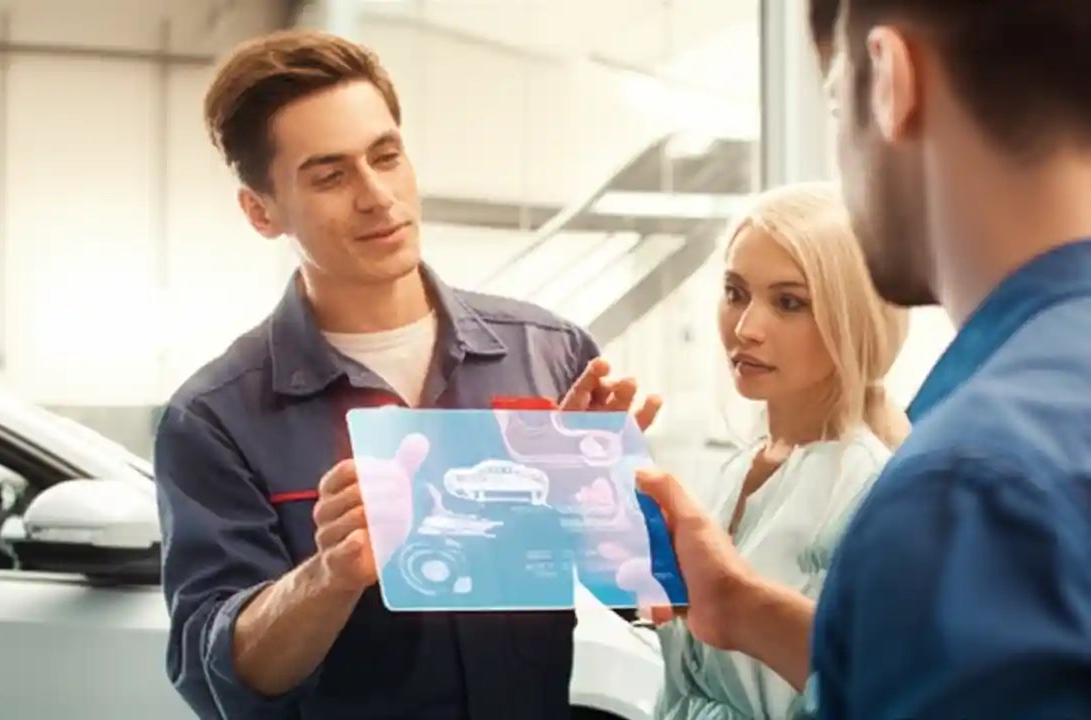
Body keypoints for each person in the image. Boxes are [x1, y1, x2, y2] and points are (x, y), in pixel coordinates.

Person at [152, 29, 660, 720]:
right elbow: (223, 679)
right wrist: (331, 575)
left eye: (387, 157)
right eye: (330, 175)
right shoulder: (215, 419)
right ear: (261, 211)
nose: (377, 196)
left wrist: (605, 502)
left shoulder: (550, 352)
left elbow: (646, 599)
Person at [637, 1, 1091, 717]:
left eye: (829, 102)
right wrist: (736, 605)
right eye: (736, 293)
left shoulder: (969, 484)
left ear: (889, 78)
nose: (749, 327)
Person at [650, 182, 906, 719]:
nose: (746, 328)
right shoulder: (729, 475)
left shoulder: (872, 491)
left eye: (788, 303)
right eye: (735, 292)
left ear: (851, 318)